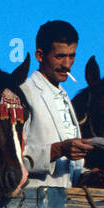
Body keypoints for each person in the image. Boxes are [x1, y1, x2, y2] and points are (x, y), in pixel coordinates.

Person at [21, 20, 90, 187]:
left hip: (68, 205)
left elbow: (71, 169)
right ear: (40, 55)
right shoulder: (23, 92)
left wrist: (89, 175)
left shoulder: (64, 96)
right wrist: (57, 150)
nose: (67, 65)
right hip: (29, 206)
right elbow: (11, 159)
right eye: (60, 56)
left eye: (71, 56)